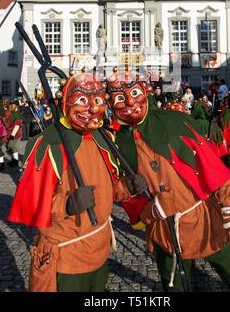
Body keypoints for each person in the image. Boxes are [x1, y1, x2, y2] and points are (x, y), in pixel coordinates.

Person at [107, 71, 230, 292]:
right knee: (174, 286)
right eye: (120, 98)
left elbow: (211, 167)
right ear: (110, 103)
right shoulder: (118, 142)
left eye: (133, 93)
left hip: (206, 222)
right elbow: (115, 191)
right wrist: (133, 192)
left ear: (144, 93)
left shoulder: (175, 121)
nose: (130, 101)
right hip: (165, 232)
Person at [8, 71, 146, 292]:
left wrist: (127, 187)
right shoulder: (48, 145)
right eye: (83, 101)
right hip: (67, 256)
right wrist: (67, 205)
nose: (93, 108)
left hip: (100, 252)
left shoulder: (104, 138)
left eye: (98, 100)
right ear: (66, 102)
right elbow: (32, 204)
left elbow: (108, 191)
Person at [5, 100, 23, 167]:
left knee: (14, 147)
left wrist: (13, 134)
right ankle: (13, 160)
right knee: (10, 147)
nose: (11, 107)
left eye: (12, 105)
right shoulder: (10, 113)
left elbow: (17, 125)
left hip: (15, 134)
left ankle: (15, 161)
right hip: (9, 133)